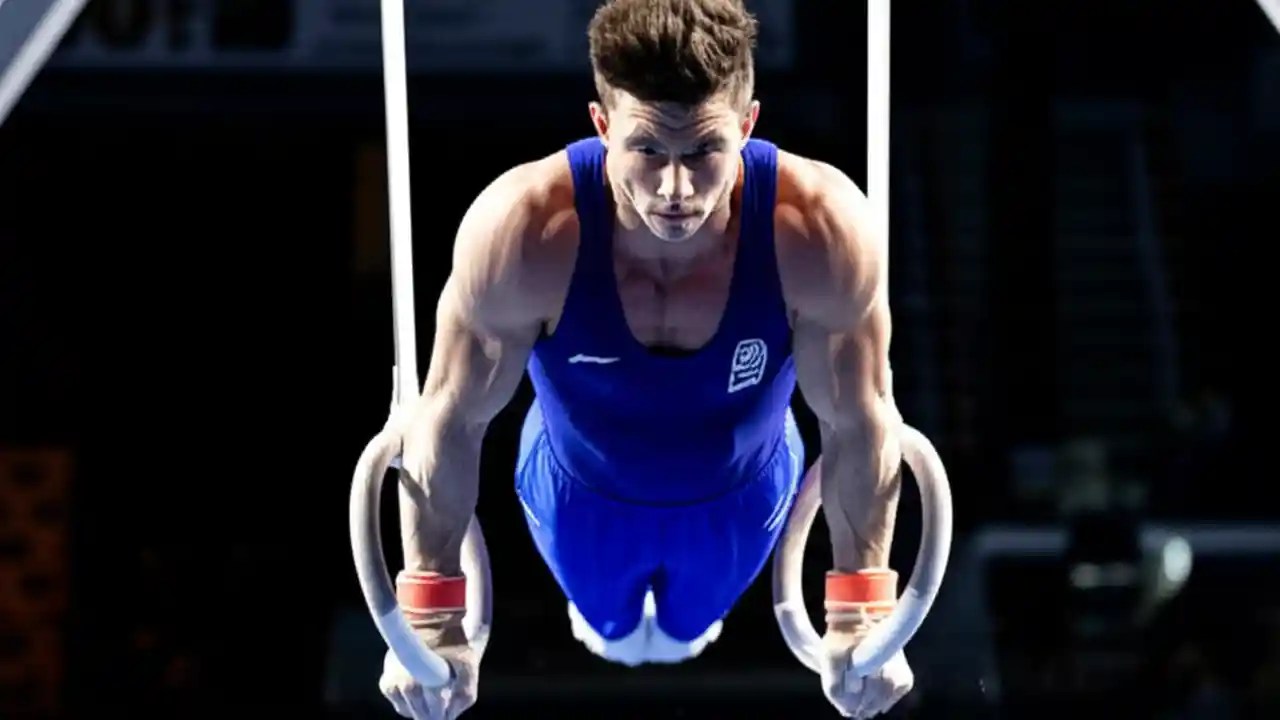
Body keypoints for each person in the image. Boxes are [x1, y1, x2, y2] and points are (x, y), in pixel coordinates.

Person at [380, 1, 911, 718]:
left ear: (748, 124)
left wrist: (864, 611)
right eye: (648, 151)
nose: (675, 189)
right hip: (576, 496)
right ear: (601, 128)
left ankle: (673, 632)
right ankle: (619, 632)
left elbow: (860, 425)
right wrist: (429, 616)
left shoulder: (816, 232)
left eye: (702, 153)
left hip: (744, 496)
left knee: (686, 627)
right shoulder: (526, 233)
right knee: (612, 627)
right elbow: (447, 422)